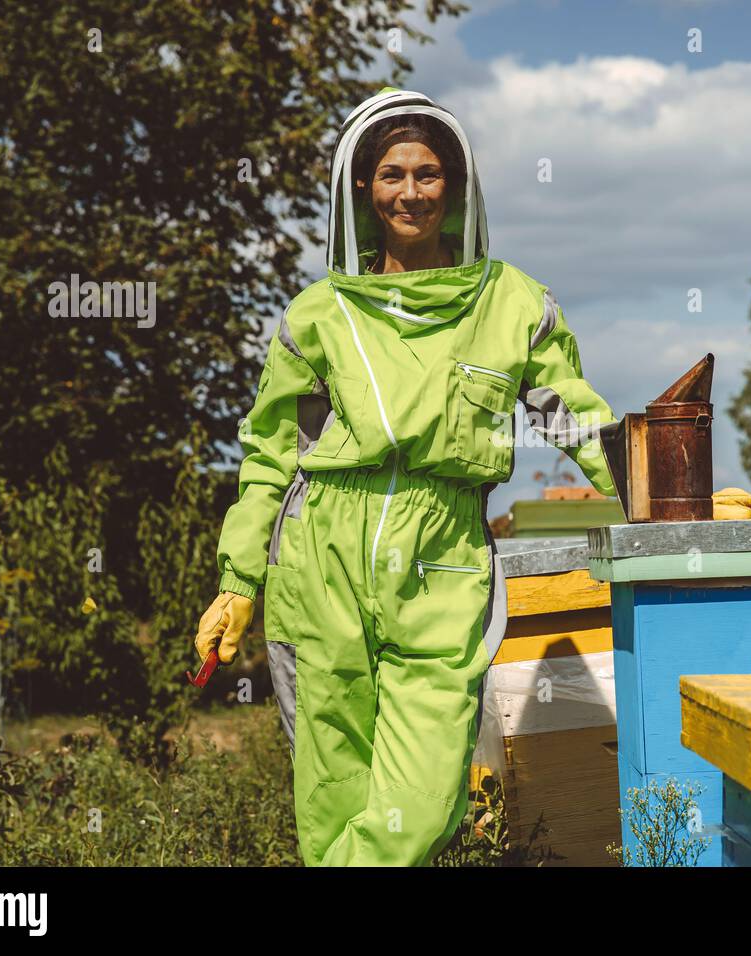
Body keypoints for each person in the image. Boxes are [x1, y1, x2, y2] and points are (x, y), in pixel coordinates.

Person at [192, 87, 620, 866]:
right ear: (362, 188)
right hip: (320, 558)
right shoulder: (316, 315)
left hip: (442, 563)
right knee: (334, 797)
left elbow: (576, 419)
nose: (411, 192)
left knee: (421, 801)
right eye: (392, 174)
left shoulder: (514, 302)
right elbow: (268, 458)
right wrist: (238, 578)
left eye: (428, 175)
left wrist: (667, 505)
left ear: (455, 188)